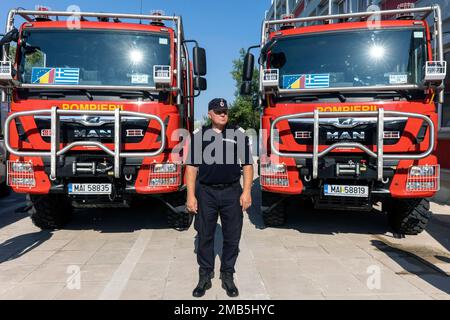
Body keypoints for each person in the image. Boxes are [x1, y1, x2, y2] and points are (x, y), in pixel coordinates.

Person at [185, 98, 254, 298]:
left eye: (225, 111)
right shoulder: (199, 136)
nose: (223, 114)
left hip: (232, 191)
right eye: (218, 111)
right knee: (205, 236)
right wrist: (191, 195)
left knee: (232, 236)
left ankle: (227, 274)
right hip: (206, 192)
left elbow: (248, 165)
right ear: (210, 114)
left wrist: (247, 191)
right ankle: (205, 275)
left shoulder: (238, 134)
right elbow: (191, 167)